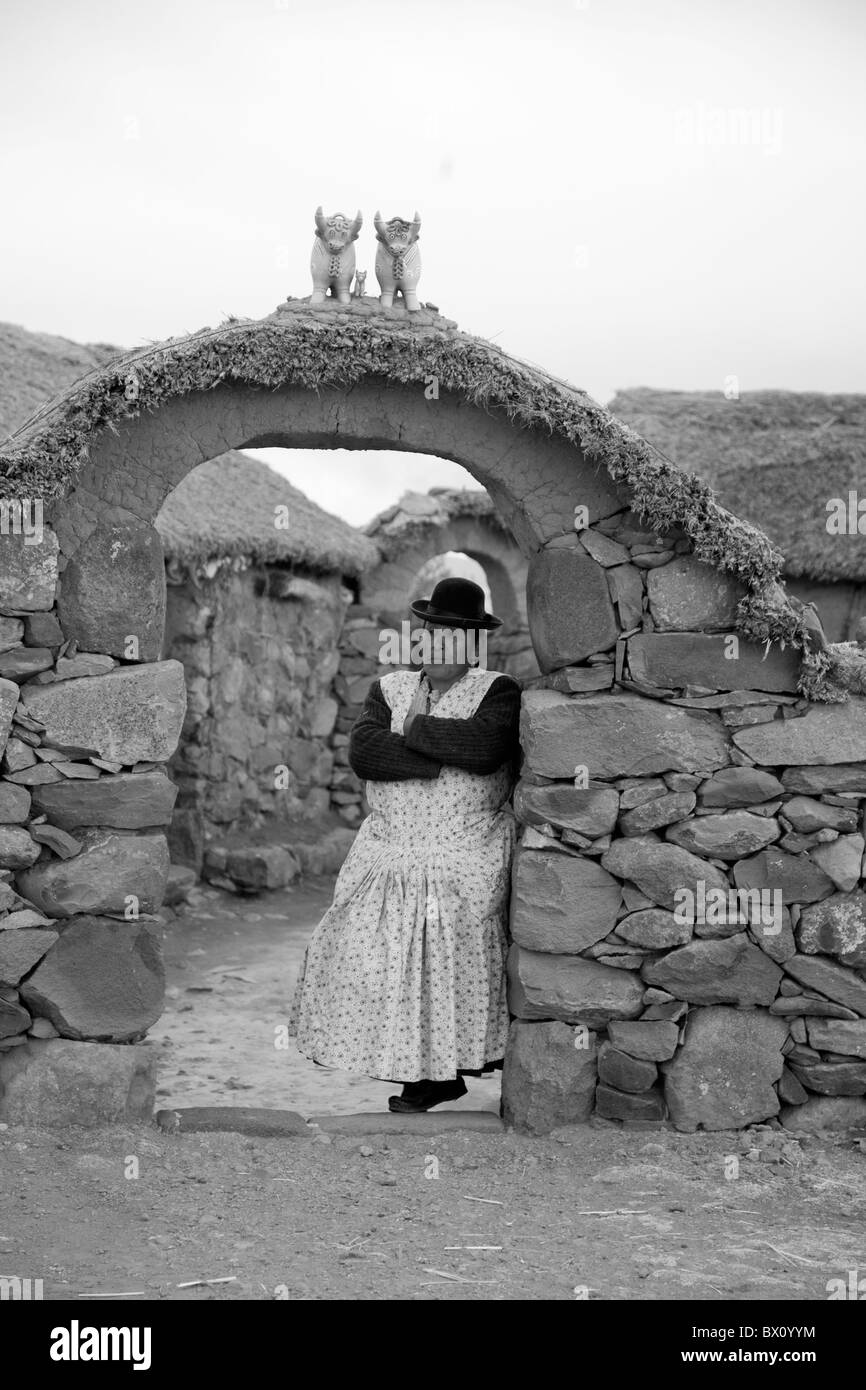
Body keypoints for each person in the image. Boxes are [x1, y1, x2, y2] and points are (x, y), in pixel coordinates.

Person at [289, 578, 521, 1112]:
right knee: (362, 946)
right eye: (433, 632)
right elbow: (367, 753)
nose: (442, 643)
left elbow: (485, 747)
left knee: (446, 942)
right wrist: (439, 751)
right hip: (391, 844)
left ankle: (441, 1074)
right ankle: (415, 1065)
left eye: (456, 634)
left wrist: (412, 735)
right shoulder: (388, 688)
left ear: (473, 643)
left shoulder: (499, 691)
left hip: (462, 846)